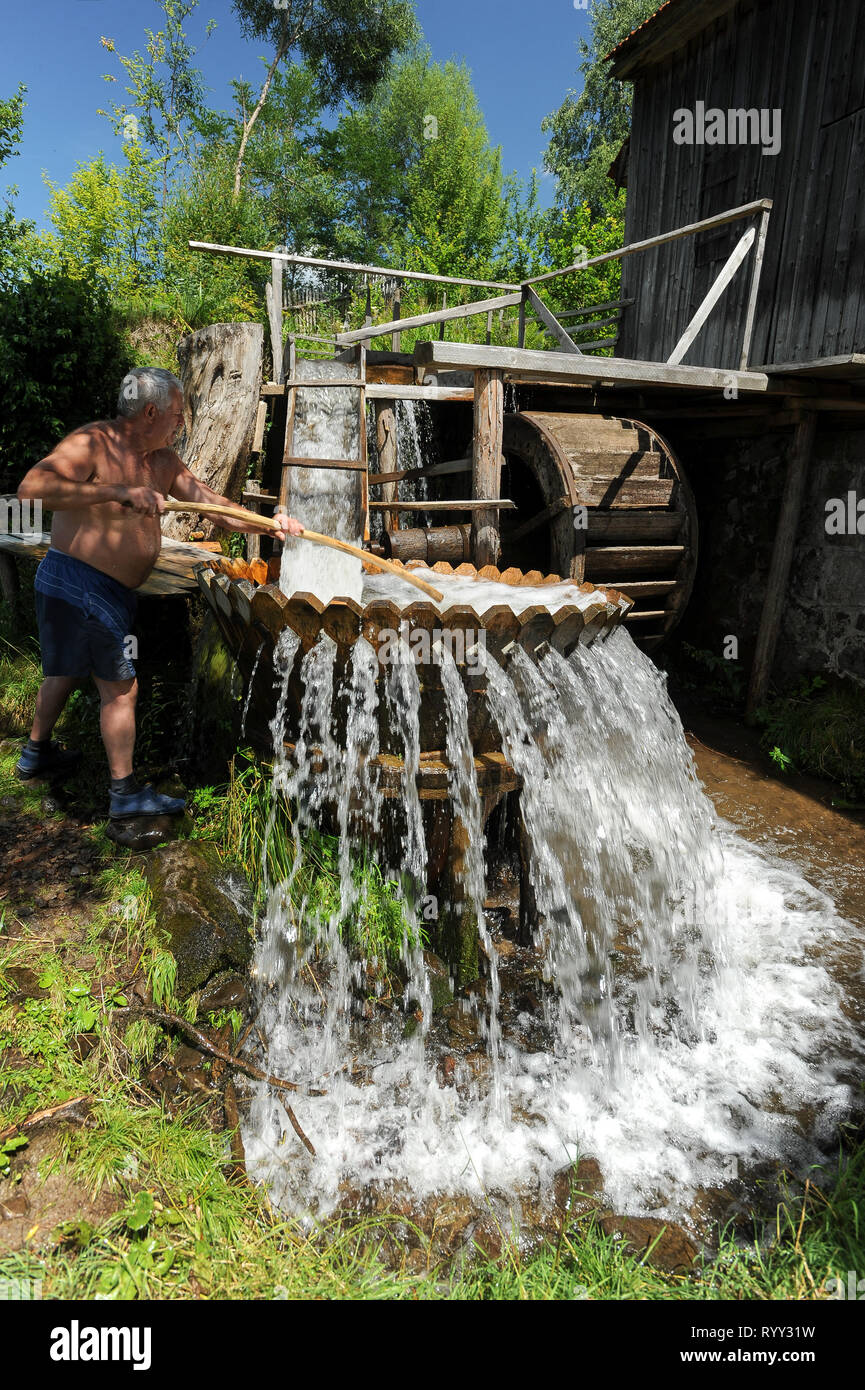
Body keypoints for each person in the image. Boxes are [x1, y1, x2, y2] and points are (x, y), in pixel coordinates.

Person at [15, 366, 302, 818]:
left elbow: (211, 505)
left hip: (103, 590)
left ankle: (36, 753)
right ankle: (124, 795)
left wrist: (272, 524)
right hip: (77, 582)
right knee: (121, 690)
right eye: (177, 415)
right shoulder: (93, 443)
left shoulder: (163, 460)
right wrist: (117, 492)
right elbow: (32, 489)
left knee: (66, 672)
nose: (181, 424)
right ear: (150, 411)